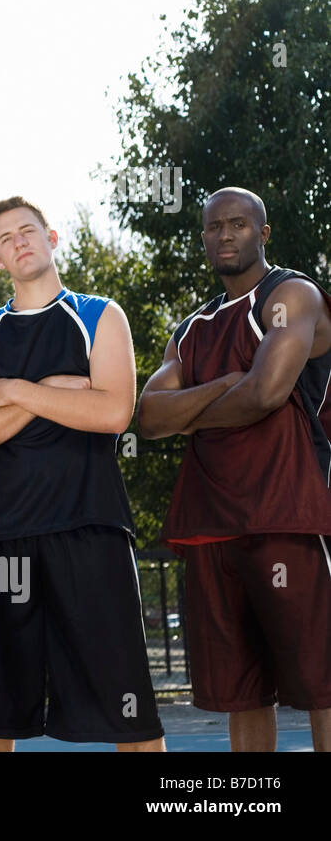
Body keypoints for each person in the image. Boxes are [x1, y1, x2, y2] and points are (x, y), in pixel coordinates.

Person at [0, 196, 164, 751]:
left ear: (53, 237)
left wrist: (16, 392)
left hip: (88, 524)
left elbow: (114, 412)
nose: (19, 241)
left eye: (28, 231)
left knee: (127, 706)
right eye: (5, 238)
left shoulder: (99, 315)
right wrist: (58, 392)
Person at [137, 186, 331, 752]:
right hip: (211, 523)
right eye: (215, 227)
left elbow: (267, 393)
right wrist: (227, 384)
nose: (226, 235)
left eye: (239, 225)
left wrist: (194, 406)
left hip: (288, 512)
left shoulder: (292, 294)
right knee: (242, 693)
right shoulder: (191, 328)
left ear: (263, 233)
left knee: (322, 680)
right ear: (203, 238)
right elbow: (147, 417)